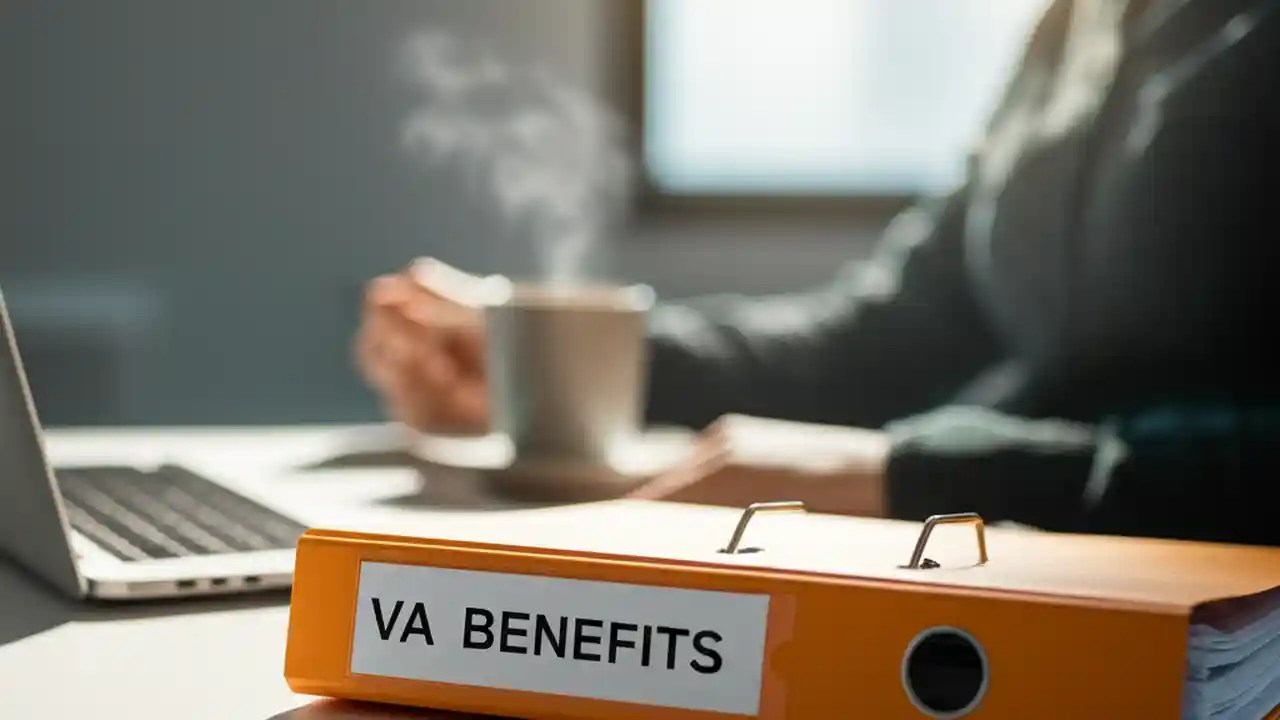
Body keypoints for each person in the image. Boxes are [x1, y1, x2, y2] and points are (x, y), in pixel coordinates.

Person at [355, 0, 1278, 546]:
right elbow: (889, 338)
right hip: (1028, 566)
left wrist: (918, 476)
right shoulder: (1076, 23)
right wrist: (557, 366)